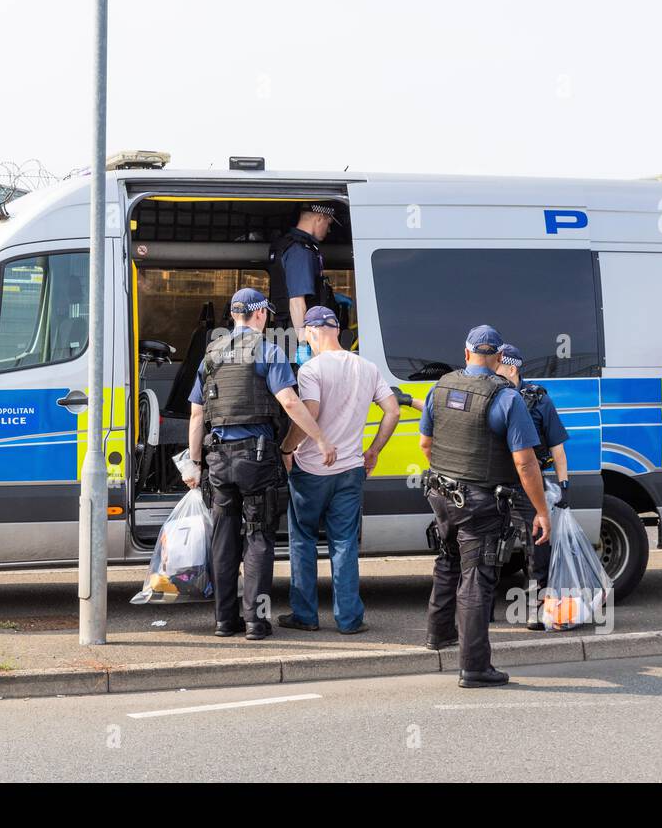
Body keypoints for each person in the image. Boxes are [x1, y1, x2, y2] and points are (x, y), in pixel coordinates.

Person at [185, 288, 336, 641]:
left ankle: (225, 620)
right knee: (258, 539)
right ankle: (256, 621)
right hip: (256, 458)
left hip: (217, 458)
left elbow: (196, 413)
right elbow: (289, 401)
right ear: (260, 315)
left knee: (223, 540)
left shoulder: (211, 354)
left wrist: (194, 464)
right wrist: (318, 438)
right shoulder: (268, 351)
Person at [419, 325, 551, 688]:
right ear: (497, 359)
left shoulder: (440, 388)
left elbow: (426, 445)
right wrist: (541, 511)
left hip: (441, 493)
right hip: (479, 501)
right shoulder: (507, 398)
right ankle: (475, 667)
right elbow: (525, 463)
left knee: (448, 560)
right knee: (477, 577)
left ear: (465, 354)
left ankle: (439, 633)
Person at [277, 306, 401, 634]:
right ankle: (349, 619)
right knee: (344, 541)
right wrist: (373, 450)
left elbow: (310, 414)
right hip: (351, 469)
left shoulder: (311, 370)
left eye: (305, 336)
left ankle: (305, 615)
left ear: (313, 332)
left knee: (303, 539)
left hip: (312, 471)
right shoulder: (367, 366)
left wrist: (287, 447)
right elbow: (393, 411)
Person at [495, 343, 571, 631]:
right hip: (496, 482)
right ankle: (485, 608)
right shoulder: (491, 394)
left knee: (536, 546)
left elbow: (558, 449)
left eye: (499, 365)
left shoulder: (538, 400)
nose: (493, 369)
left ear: (512, 368)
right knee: (491, 547)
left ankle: (535, 609)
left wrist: (564, 487)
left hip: (529, 483)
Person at [268, 204, 341, 340]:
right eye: (328, 223)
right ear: (320, 218)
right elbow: (296, 302)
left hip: (286, 332)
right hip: (295, 337)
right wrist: (303, 344)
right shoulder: (300, 251)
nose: (329, 229)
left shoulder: (288, 244)